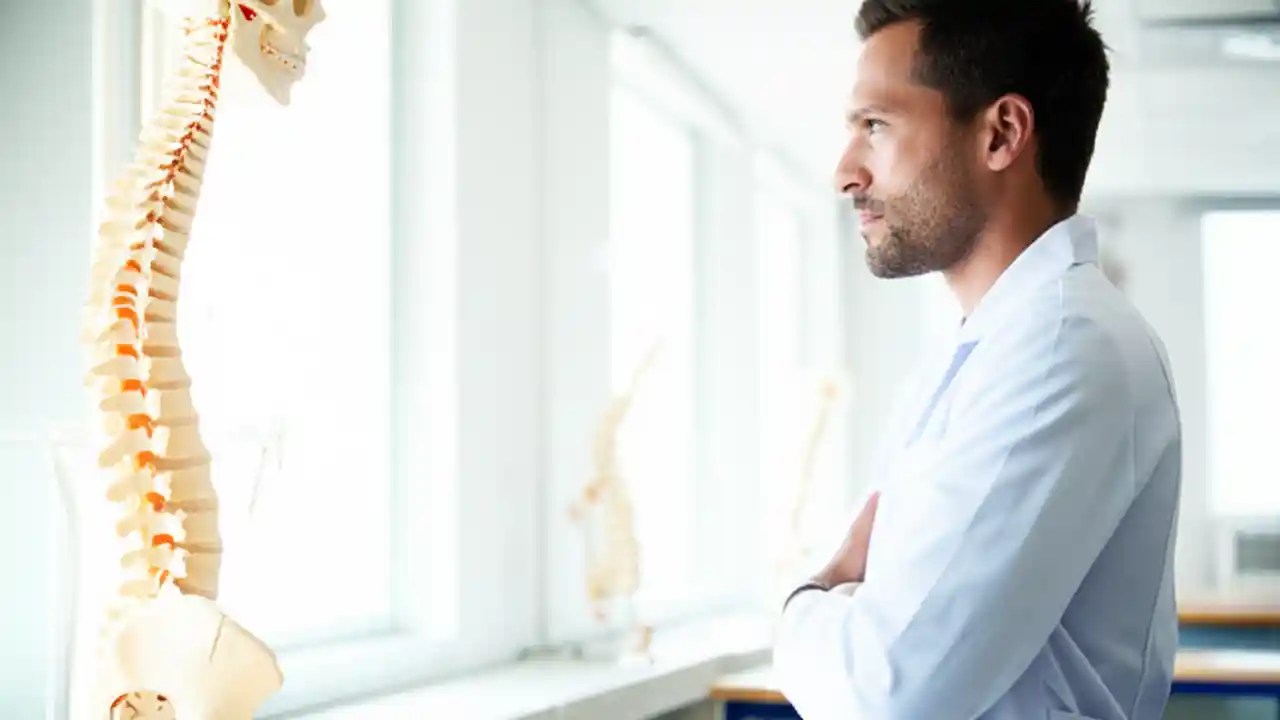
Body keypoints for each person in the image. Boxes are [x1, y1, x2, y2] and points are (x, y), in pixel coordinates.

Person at [772, 2, 1182, 719]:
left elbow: (887, 692)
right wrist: (843, 619)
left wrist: (801, 607)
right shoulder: (982, 351)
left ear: (1002, 134)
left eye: (876, 126)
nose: (845, 172)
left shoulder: (1060, 349)